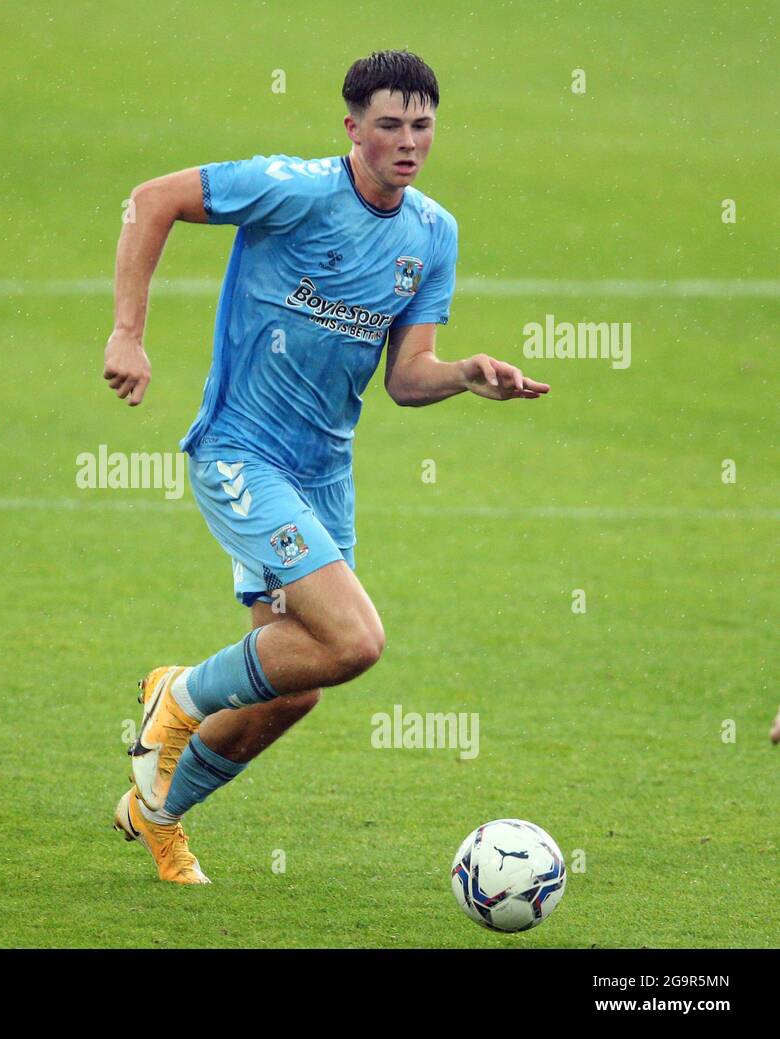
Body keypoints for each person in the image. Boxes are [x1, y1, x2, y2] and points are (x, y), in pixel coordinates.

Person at [103, 51, 548, 883]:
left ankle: (157, 812)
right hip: (242, 451)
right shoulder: (296, 187)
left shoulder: (433, 233)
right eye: (389, 125)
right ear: (352, 128)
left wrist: (464, 375)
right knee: (354, 640)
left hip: (324, 473)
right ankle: (179, 696)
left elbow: (407, 377)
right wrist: (128, 331)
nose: (407, 142)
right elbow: (151, 198)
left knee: (293, 686)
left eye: (421, 125)